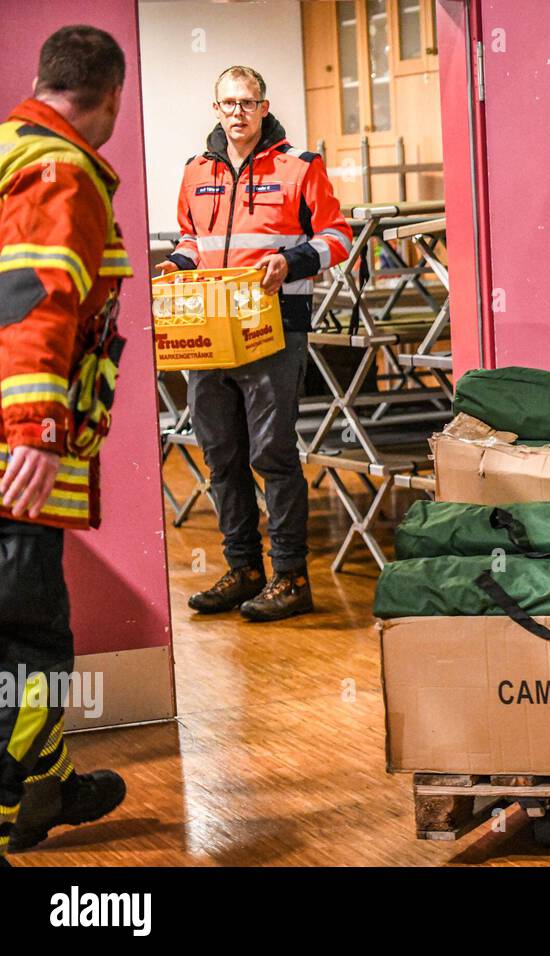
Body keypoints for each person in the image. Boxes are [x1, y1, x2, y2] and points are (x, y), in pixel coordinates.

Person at [0, 24, 135, 865]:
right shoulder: (62, 169)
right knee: (29, 631)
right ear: (111, 95)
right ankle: (25, 793)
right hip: (14, 446)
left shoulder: (10, 145)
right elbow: (36, 300)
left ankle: (42, 775)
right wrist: (39, 431)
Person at [158, 66, 352, 622]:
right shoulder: (196, 171)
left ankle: (291, 578)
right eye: (227, 103)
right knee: (221, 455)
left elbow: (338, 237)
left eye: (247, 102)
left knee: (273, 453)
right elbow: (192, 240)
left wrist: (291, 261)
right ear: (215, 108)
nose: (237, 112)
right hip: (206, 330)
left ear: (264, 106)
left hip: (274, 326)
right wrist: (174, 264)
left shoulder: (300, 167)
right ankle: (244, 569)